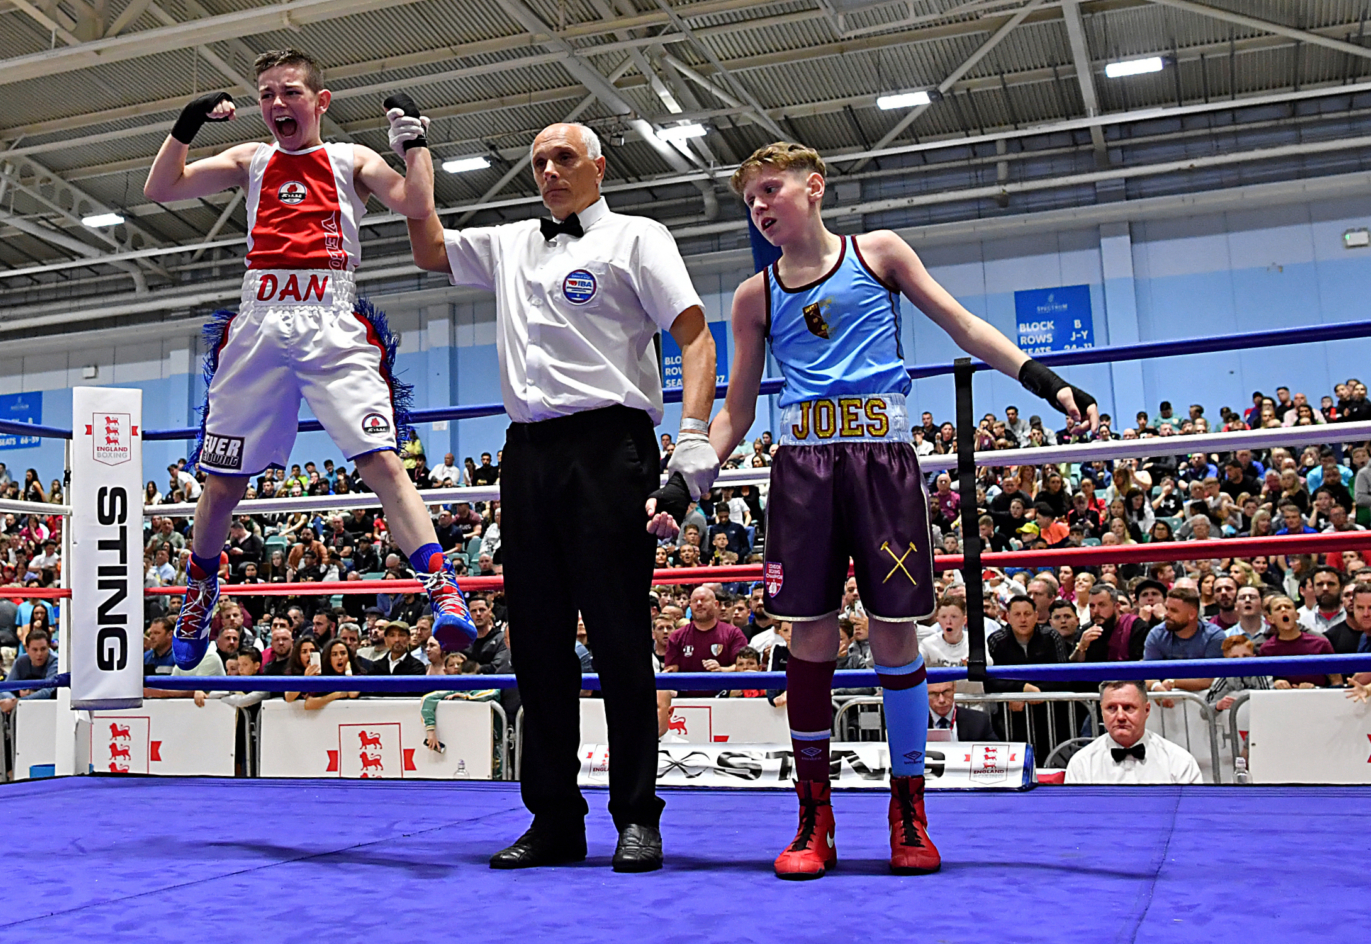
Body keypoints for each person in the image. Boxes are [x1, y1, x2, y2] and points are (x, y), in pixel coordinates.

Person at [681, 142, 1097, 878]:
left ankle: (909, 812)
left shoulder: (878, 253)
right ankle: (814, 818)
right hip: (802, 470)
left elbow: (962, 325)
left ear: (814, 187)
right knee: (808, 640)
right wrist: (687, 474)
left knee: (895, 637)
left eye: (771, 190)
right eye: (750, 200)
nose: (761, 207)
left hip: (883, 463)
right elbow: (736, 411)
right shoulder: (753, 296)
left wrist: (1044, 380)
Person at [405, 120, 718, 875]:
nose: (549, 170)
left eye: (564, 158)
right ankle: (554, 821)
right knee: (537, 645)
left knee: (616, 638)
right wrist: (414, 160)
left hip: (613, 448)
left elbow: (696, 336)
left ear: (598, 167)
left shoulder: (638, 237)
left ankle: (637, 817)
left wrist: (694, 435)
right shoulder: (512, 239)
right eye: (539, 160)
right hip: (530, 454)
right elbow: (430, 249)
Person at [143, 48, 473, 670]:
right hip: (260, 320)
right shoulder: (253, 158)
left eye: (289, 92)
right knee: (221, 486)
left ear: (319, 101)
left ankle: (443, 592)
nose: (275, 105)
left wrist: (416, 144)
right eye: (266, 94)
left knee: (383, 462)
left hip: (332, 316)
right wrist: (184, 126)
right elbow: (161, 187)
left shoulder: (352, 159)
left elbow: (417, 206)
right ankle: (199, 589)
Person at [1064, 681, 1203, 784]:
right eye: (1111, 708)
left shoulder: (1180, 762)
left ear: (1146, 710)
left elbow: (1193, 816)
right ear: (1101, 711)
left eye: (1128, 707)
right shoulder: (1081, 763)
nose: (1120, 717)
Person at [1257, 595, 1340, 687]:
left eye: (1288, 607)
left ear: (1297, 615)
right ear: (1270, 619)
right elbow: (1264, 685)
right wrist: (1275, 684)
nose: (1283, 610)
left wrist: (1316, 689)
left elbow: (1337, 681)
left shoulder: (1321, 643)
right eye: (1278, 608)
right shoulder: (1266, 649)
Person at [925, 681, 998, 742]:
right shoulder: (915, 725)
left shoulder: (979, 721)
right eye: (933, 694)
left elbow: (995, 752)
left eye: (946, 692)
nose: (942, 700)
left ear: (954, 688)